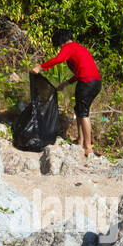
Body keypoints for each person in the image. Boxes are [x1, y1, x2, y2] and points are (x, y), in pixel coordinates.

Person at [31, 28, 101, 158]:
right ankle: (80, 142)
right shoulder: (79, 48)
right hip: (95, 82)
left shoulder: (68, 47)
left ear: (61, 40)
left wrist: (40, 67)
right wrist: (66, 83)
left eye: (58, 43)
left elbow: (59, 59)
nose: (59, 47)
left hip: (86, 82)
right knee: (80, 110)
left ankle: (88, 147)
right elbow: (82, 70)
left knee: (83, 112)